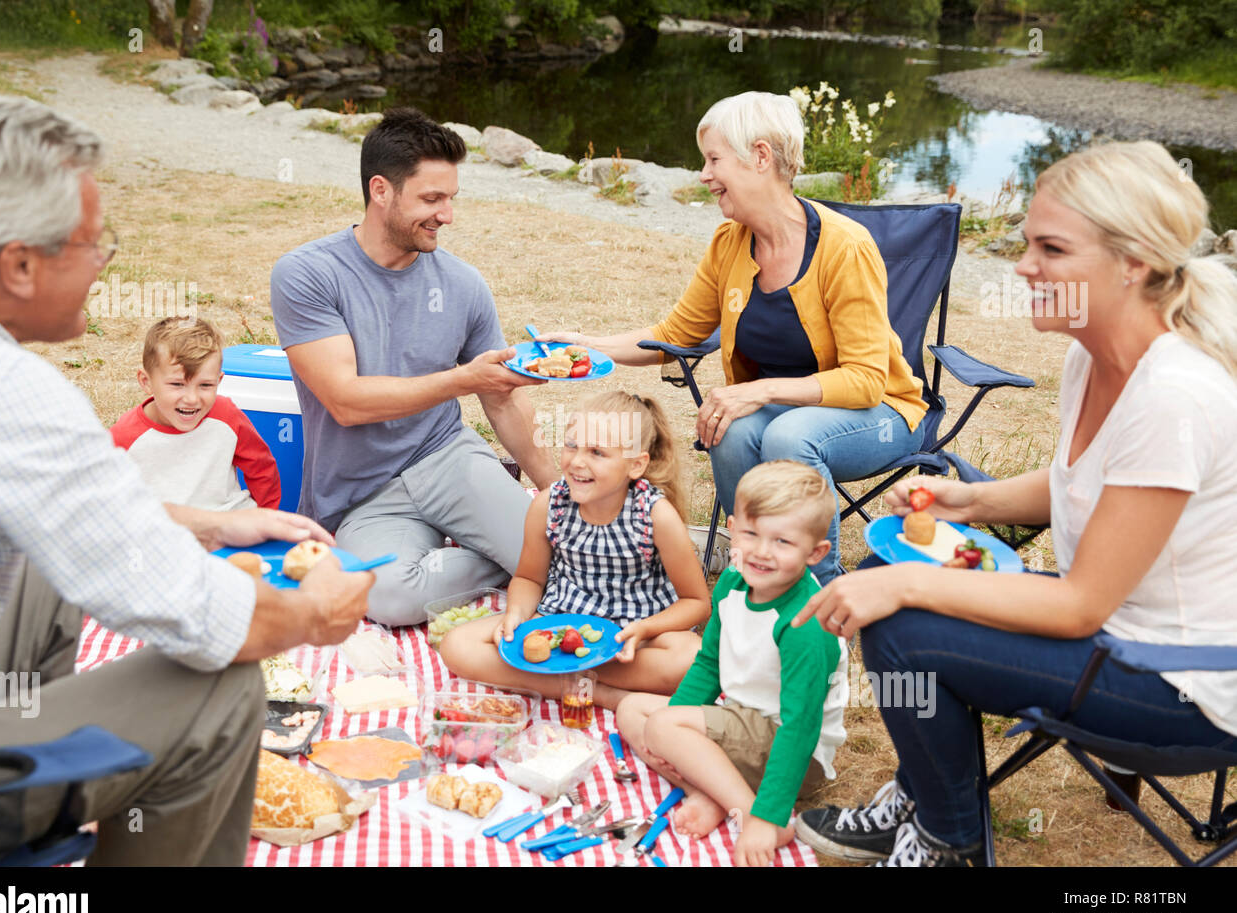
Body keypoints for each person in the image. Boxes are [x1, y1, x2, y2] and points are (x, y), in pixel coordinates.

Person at [0, 95, 374, 866]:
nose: (105, 259)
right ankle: (18, 816)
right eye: (93, 240)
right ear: (18, 263)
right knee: (224, 687)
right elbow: (212, 618)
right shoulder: (5, 392)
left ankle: (49, 774)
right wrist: (310, 612)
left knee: (41, 560)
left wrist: (217, 524)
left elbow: (92, 512)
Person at [790, 140, 1237, 867]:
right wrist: (966, 498)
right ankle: (925, 794)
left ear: (1135, 263)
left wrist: (906, 582)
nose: (1024, 266)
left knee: (901, 621)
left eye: (1052, 249)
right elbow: (1084, 480)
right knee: (886, 559)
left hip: (1183, 685)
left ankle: (946, 839)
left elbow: (1079, 607)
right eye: (1028, 243)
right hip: (1118, 632)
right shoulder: (1093, 356)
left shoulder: (1173, 397)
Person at [545, 91, 927, 584]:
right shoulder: (730, 243)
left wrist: (760, 390)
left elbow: (866, 381)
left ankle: (820, 589)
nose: (704, 175)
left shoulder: (844, 247)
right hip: (783, 411)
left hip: (879, 414)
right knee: (730, 427)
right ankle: (754, 569)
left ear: (761, 157)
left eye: (713, 159)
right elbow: (674, 334)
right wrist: (583, 345)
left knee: (788, 433)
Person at [270, 107, 558, 627]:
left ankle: (508, 553)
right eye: (431, 199)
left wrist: (560, 495)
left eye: (450, 199)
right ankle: (499, 560)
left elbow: (502, 397)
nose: (447, 215)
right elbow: (345, 401)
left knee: (563, 556)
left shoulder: (464, 284)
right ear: (381, 191)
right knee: (388, 600)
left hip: (447, 457)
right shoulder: (307, 274)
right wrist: (463, 379)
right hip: (363, 492)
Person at [615, 460, 849, 866]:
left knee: (663, 725)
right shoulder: (731, 583)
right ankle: (707, 791)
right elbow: (709, 663)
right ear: (731, 526)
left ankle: (751, 813)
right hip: (741, 720)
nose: (761, 551)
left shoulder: (805, 627)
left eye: (782, 542)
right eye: (750, 533)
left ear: (816, 552)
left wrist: (765, 814)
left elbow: (800, 728)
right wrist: (675, 732)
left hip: (792, 750)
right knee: (632, 709)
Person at [440, 391, 710, 710]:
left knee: (691, 658)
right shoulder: (548, 504)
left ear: (636, 465)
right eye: (571, 445)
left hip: (634, 630)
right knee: (457, 645)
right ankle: (601, 692)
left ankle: (555, 679)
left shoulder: (655, 515)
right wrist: (516, 616)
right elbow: (528, 579)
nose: (577, 461)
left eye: (597, 452)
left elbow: (696, 603)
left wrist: (646, 629)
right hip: (560, 621)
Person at [110, 316, 282, 510]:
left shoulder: (226, 415)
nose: (192, 398)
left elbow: (261, 468)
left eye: (205, 385)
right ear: (146, 381)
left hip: (232, 525)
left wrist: (266, 518)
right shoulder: (123, 437)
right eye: (177, 384)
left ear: (219, 380)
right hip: (167, 532)